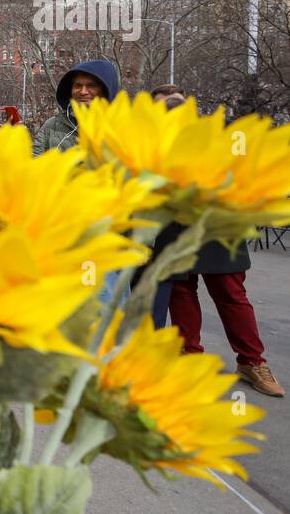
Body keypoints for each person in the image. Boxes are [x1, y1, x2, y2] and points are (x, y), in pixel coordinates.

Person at [146, 85, 284, 397]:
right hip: (174, 229)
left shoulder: (218, 132)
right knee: (182, 293)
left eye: (175, 104)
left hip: (218, 228)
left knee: (231, 294)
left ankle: (252, 362)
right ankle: (190, 358)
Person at [30, 59, 120, 155]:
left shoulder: (119, 128)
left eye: (91, 86)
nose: (83, 92)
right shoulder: (52, 125)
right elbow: (35, 161)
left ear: (105, 90)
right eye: (78, 86)